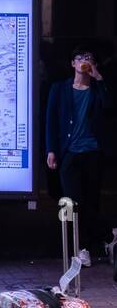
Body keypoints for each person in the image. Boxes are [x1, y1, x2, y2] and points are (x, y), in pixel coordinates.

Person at [47, 45, 111, 267]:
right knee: (73, 201)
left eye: (89, 58)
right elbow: (51, 121)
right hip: (70, 152)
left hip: (93, 152)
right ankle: (107, 235)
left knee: (91, 201)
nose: (85, 61)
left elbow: (110, 108)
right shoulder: (60, 89)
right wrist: (51, 150)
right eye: (80, 58)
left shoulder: (98, 89)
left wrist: (99, 78)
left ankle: (87, 248)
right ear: (72, 64)